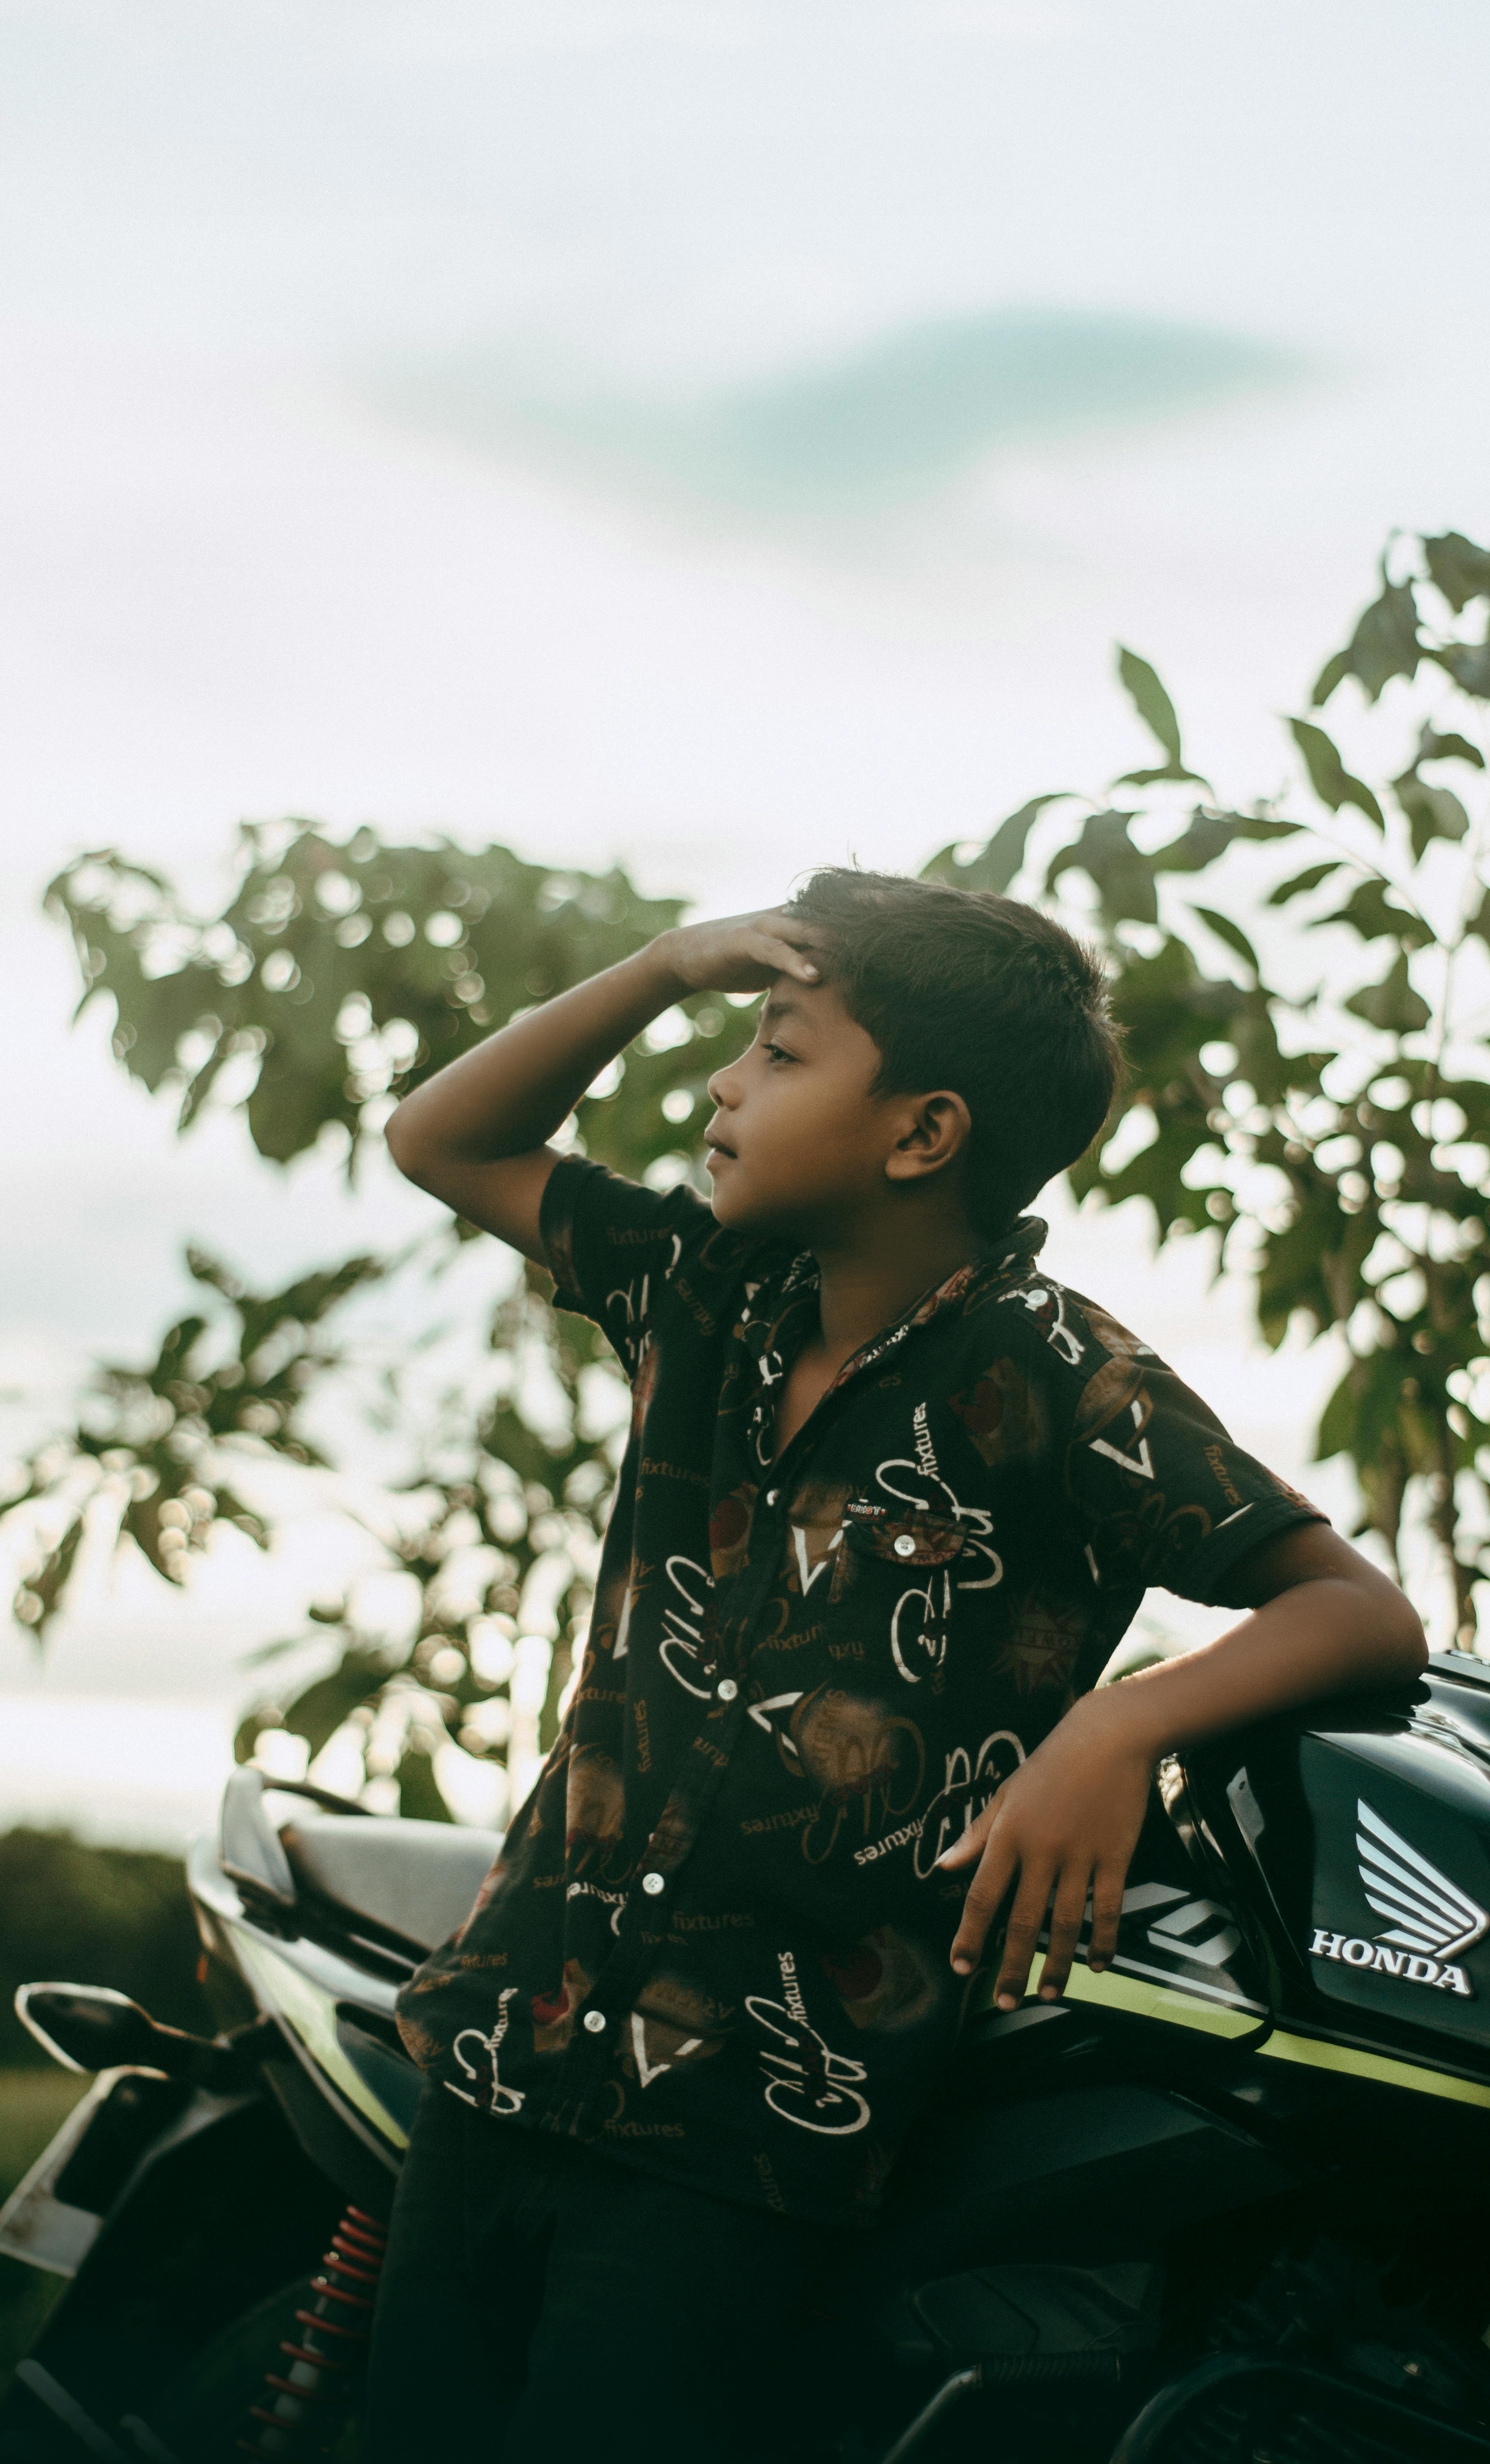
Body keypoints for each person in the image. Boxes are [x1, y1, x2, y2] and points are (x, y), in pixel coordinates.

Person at [364, 869, 1426, 2461]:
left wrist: (1113, 1731)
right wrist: (664, 968)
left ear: (922, 1134)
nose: (722, 1082)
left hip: (752, 2133)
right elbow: (439, 1140)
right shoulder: (701, 1298)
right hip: (509, 2036)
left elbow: (1353, 1612)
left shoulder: (1058, 1373)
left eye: (781, 1052)